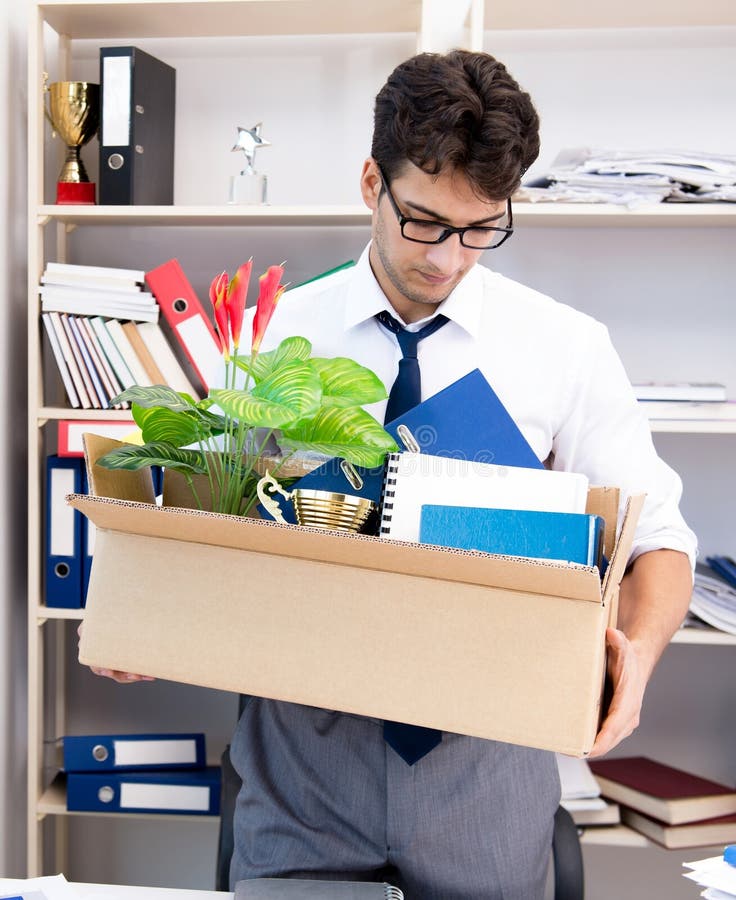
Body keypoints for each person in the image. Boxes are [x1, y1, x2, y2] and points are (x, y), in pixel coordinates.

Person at [88, 50, 697, 898]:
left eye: (482, 228)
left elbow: (658, 540)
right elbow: (207, 508)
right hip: (306, 760)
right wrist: (149, 608)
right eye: (423, 221)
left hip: (485, 760)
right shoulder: (269, 336)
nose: (448, 259)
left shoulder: (566, 346)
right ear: (372, 181)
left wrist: (636, 652)